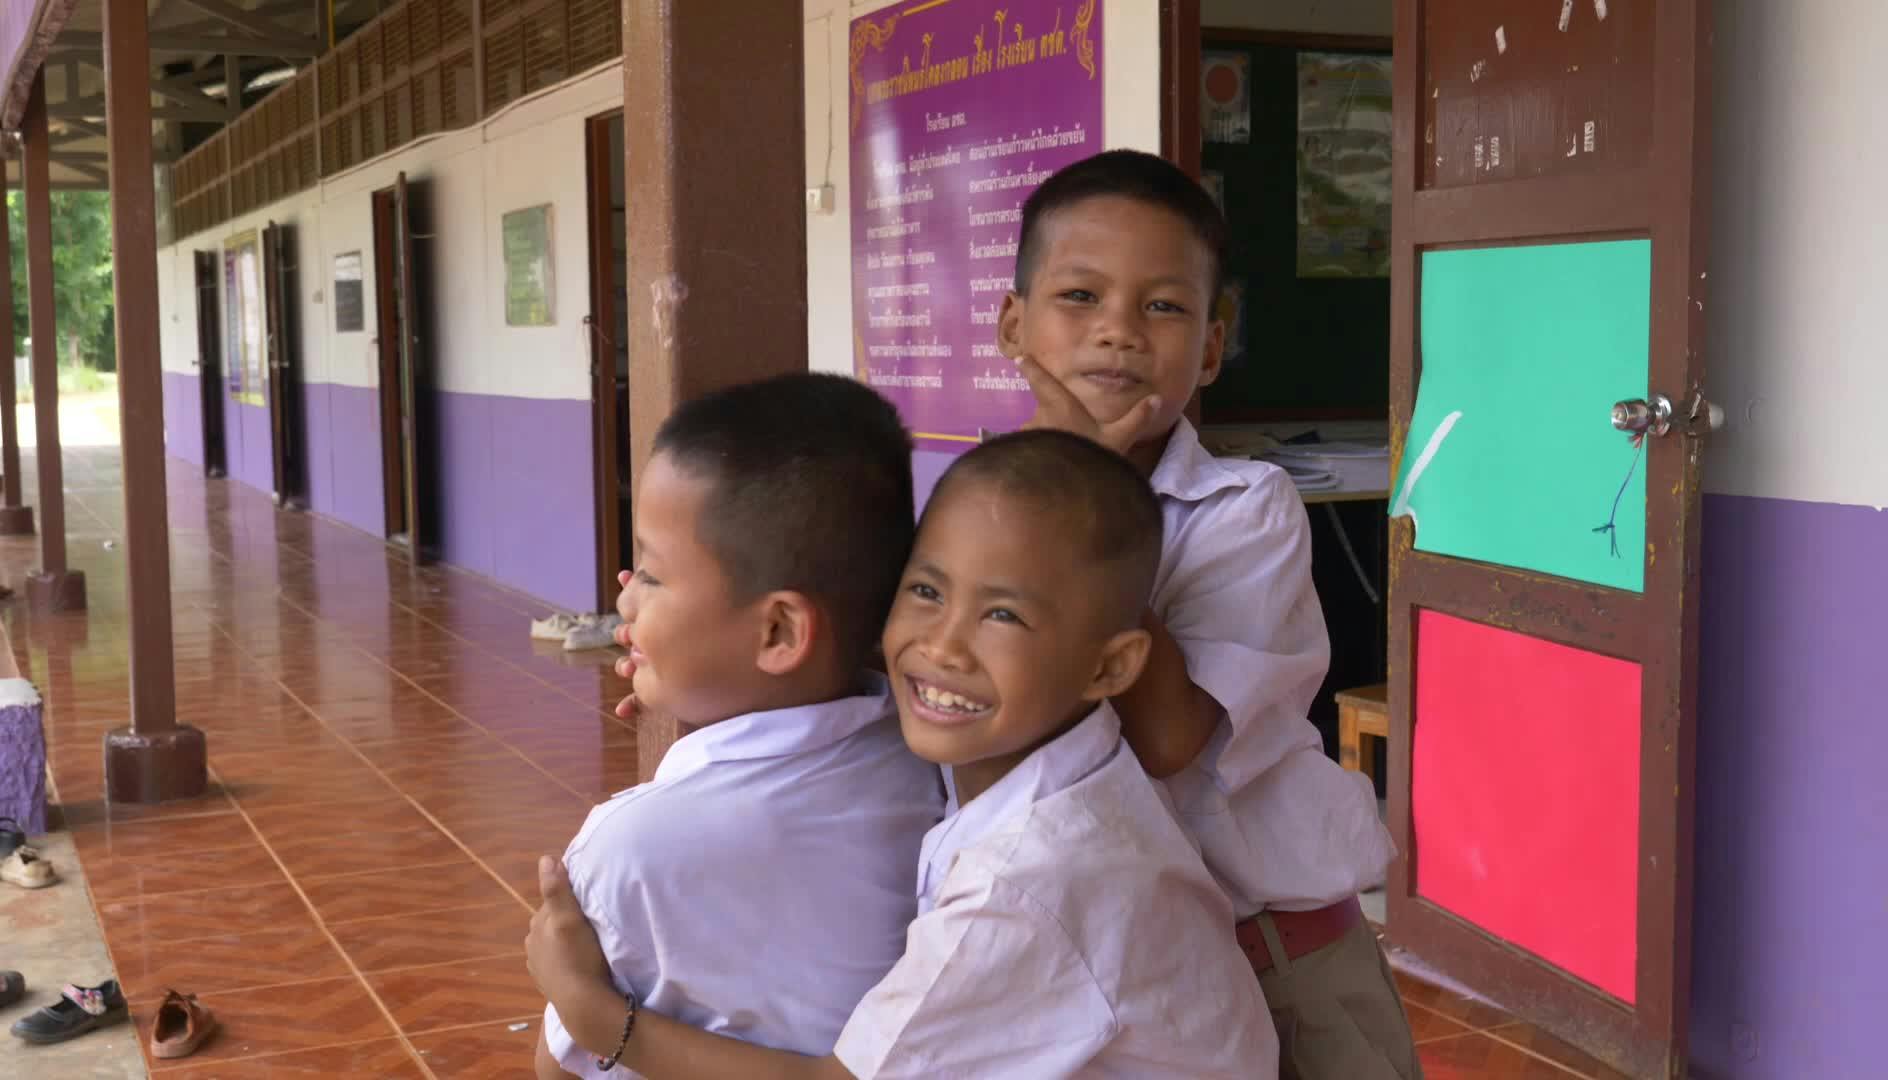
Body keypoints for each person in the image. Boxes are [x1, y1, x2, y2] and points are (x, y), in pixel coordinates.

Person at [528, 430, 1278, 1078]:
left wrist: (599, 1018)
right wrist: (690, 674)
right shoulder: (1020, 748)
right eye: (924, 591)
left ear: (1110, 668)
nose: (942, 646)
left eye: (1004, 614)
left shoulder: (1029, 881)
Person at [1002, 149, 1419, 1078]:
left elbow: (1167, 738)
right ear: (1011, 323)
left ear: (1212, 346)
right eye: (1080, 297)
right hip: (1087, 969)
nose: (1119, 332)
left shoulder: (1245, 509)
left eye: (1164, 306)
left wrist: (1088, 500)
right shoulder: (966, 520)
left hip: (1276, 960)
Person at [532, 373, 944, 1079]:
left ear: (779, 630)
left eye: (653, 578)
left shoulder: (629, 846)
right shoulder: (929, 761)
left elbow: (556, 1065)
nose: (626, 601)